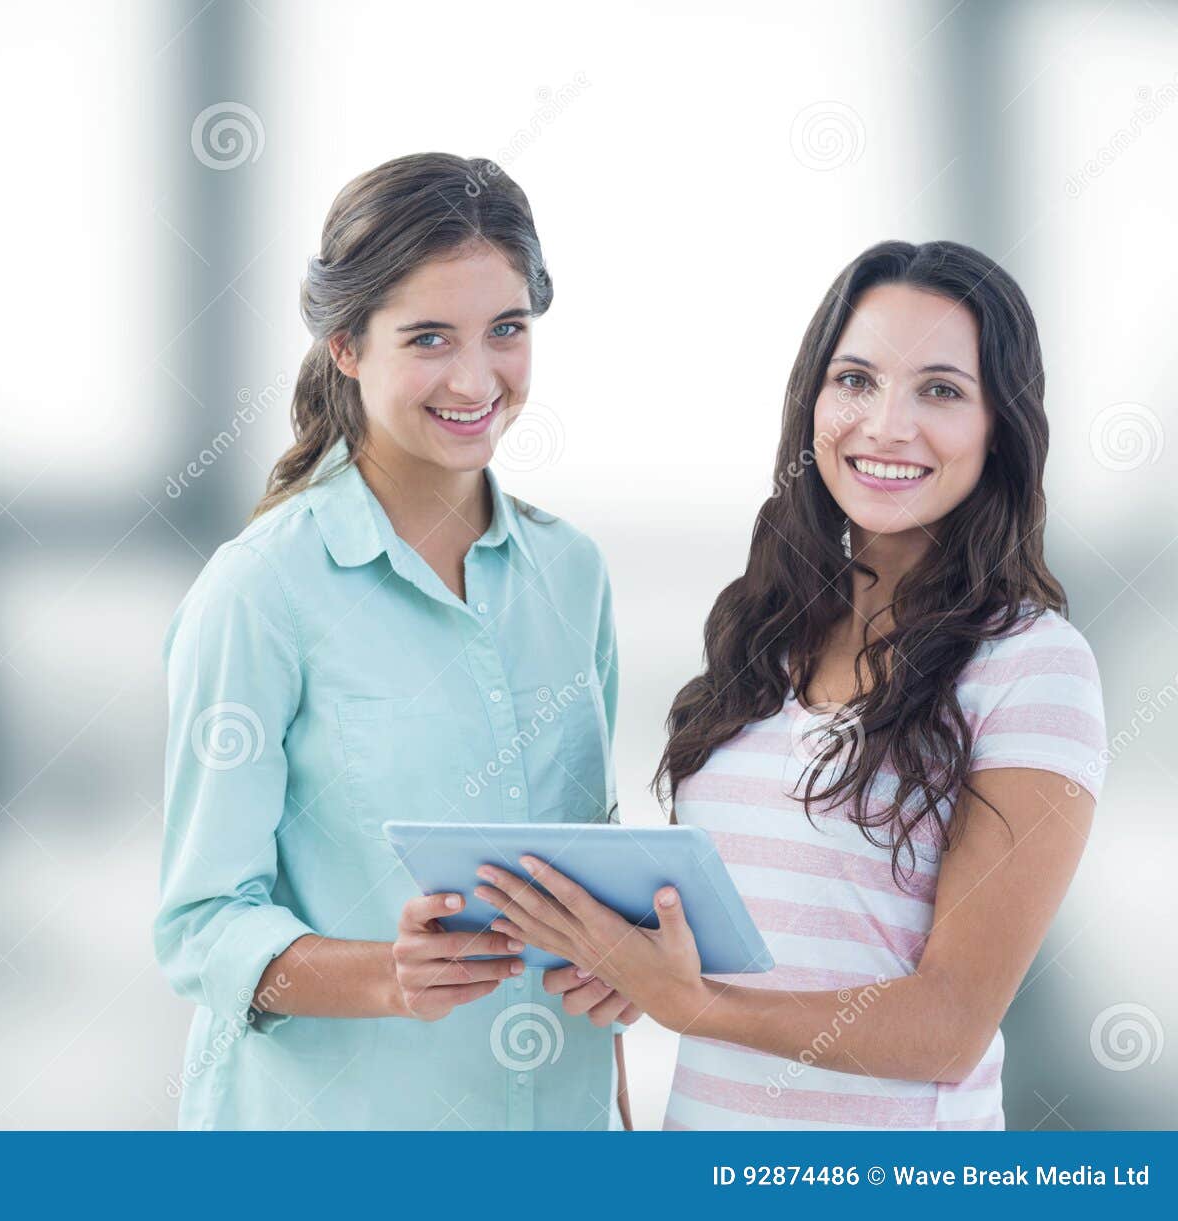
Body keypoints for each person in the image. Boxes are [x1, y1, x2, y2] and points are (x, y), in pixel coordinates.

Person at [479, 240, 1108, 1130]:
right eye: (856, 380)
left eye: (940, 390)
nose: (887, 425)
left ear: (998, 426)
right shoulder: (765, 637)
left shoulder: (1033, 666)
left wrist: (693, 1003)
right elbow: (755, 937)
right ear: (813, 400)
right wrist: (630, 963)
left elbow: (950, 1024)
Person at [154, 152, 633, 1130]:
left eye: (506, 329)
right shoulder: (261, 591)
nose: (475, 377)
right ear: (345, 345)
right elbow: (201, 926)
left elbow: (590, 867)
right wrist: (388, 975)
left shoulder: (571, 573)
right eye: (428, 338)